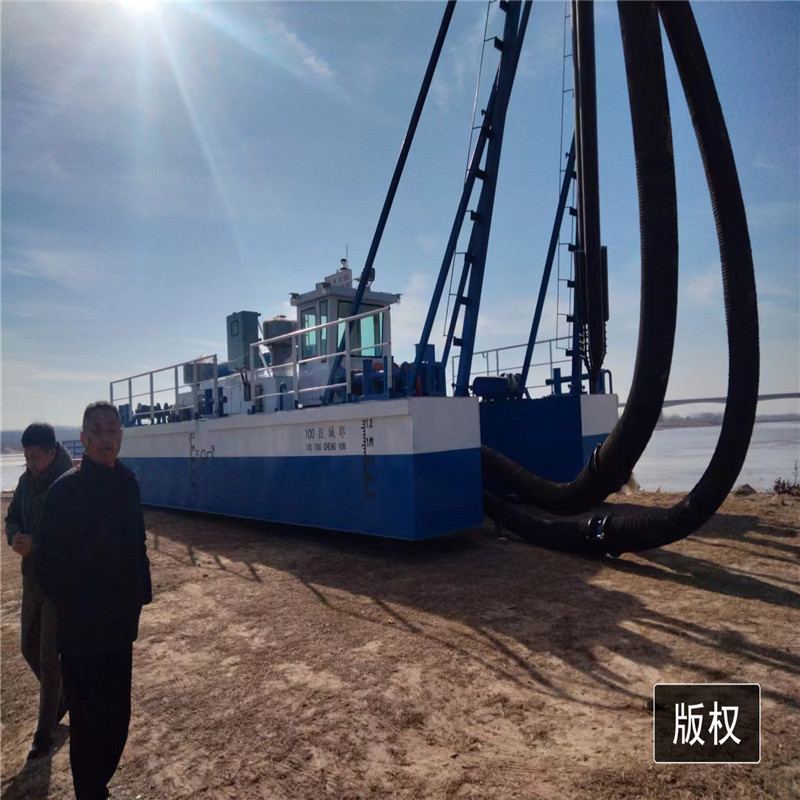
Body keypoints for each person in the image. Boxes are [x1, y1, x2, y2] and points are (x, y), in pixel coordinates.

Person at [36, 401, 152, 800]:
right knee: (87, 720)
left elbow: (137, 545)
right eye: (97, 431)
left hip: (119, 627)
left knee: (118, 716)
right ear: (84, 438)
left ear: (121, 435)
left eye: (112, 430)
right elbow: (45, 563)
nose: (105, 438)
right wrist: (77, 603)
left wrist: (139, 596)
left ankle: (98, 782)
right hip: (81, 632)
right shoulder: (64, 491)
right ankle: (90, 791)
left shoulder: (128, 483)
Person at [5, 423, 74, 760]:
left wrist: (37, 544)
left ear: (52, 451)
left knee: (48, 657)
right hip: (31, 579)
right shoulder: (24, 482)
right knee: (27, 647)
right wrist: (15, 536)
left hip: (58, 584)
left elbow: (73, 536)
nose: (30, 463)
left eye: (35, 457)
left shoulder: (69, 484)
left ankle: (44, 733)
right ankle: (63, 697)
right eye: (26, 457)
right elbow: (12, 516)